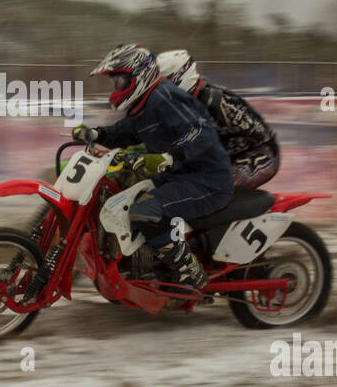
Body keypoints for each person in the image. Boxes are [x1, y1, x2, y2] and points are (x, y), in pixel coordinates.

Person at [73, 44, 233, 291]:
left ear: (139, 75)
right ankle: (142, 264)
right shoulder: (144, 106)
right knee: (120, 196)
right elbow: (126, 131)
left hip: (206, 179)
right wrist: (96, 133)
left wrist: (168, 157)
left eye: (119, 80)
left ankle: (189, 273)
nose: (116, 87)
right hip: (179, 177)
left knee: (145, 210)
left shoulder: (165, 98)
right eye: (114, 82)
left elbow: (201, 133)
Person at [156, 50, 280, 190]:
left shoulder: (217, 101)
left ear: (180, 75)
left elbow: (261, 135)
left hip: (261, 155)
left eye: (164, 82)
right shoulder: (181, 103)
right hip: (226, 157)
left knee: (207, 187)